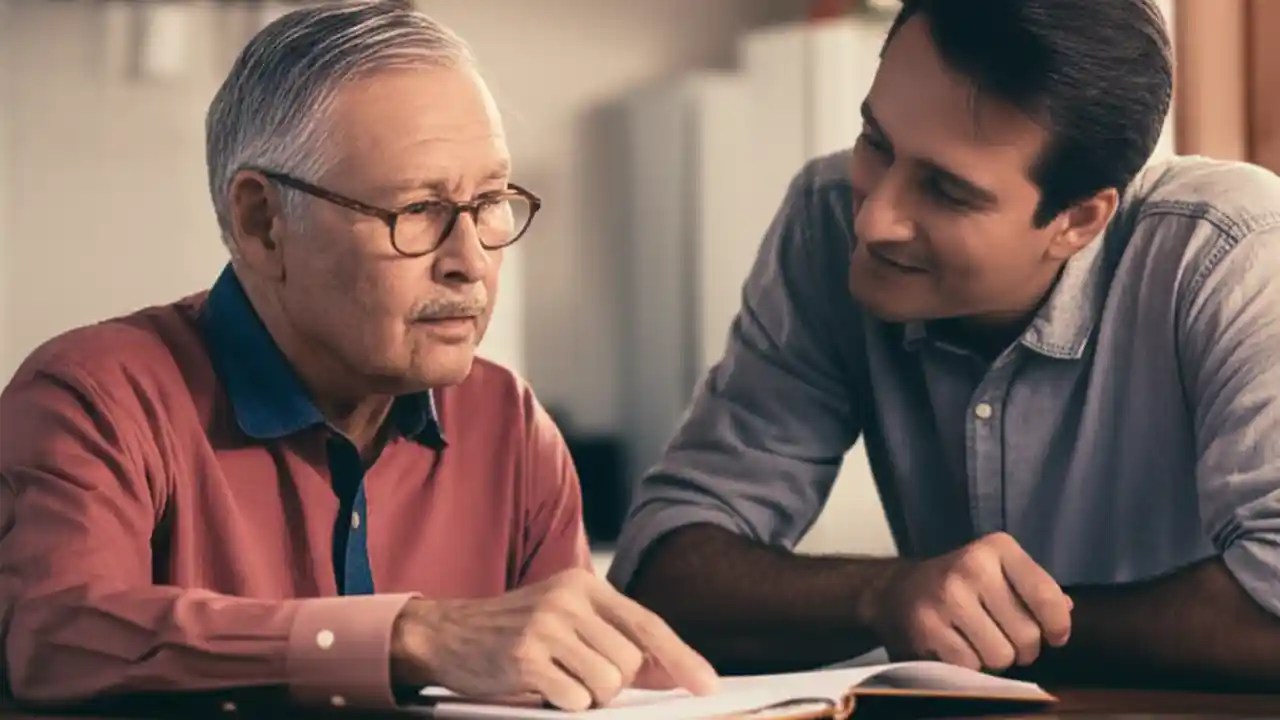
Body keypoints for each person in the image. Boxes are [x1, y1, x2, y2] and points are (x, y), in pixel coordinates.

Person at [0, 1, 716, 713]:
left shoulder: (512, 427)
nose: (471, 262)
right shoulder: (94, 397)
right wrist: (407, 635)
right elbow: (56, 637)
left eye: (491, 201)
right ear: (262, 223)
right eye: (419, 211)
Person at [611, 0, 1280, 690]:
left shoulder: (1233, 252)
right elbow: (662, 574)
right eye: (876, 141)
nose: (873, 221)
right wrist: (887, 597)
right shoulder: (825, 217)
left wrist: (989, 633)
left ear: (1078, 220)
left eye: (947, 191)